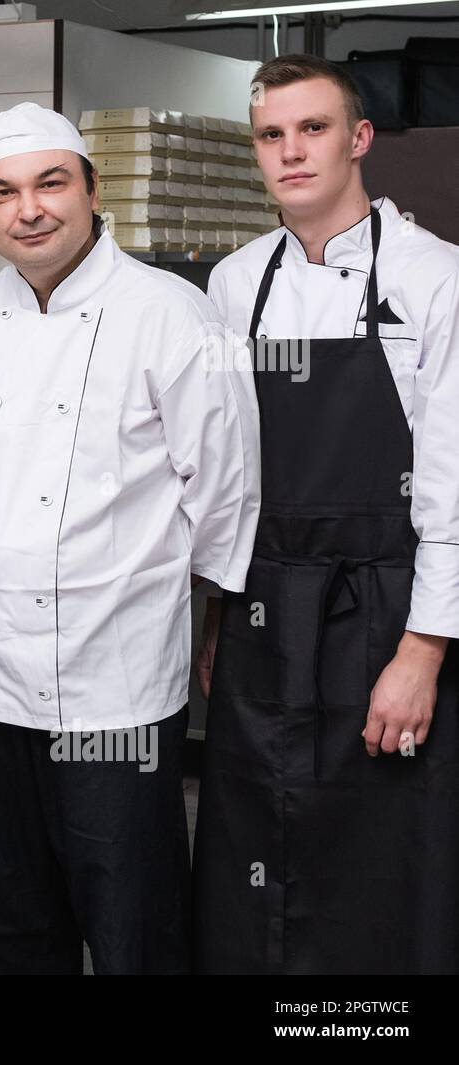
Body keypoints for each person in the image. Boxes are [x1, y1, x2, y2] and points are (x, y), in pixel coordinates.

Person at [0, 102, 259, 974]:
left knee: (132, 918)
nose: (28, 209)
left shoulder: (174, 314)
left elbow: (227, 489)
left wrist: (213, 616)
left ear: (91, 189)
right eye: (2, 192)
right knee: (7, 920)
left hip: (114, 684)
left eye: (50, 184)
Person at [195, 54, 459, 974]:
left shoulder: (435, 278)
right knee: (255, 832)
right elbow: (227, 468)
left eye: (313, 130)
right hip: (267, 604)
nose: (291, 151)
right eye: (272, 135)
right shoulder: (235, 284)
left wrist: (423, 653)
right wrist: (219, 611)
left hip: (383, 612)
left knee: (381, 849)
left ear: (360, 139)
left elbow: (451, 482)